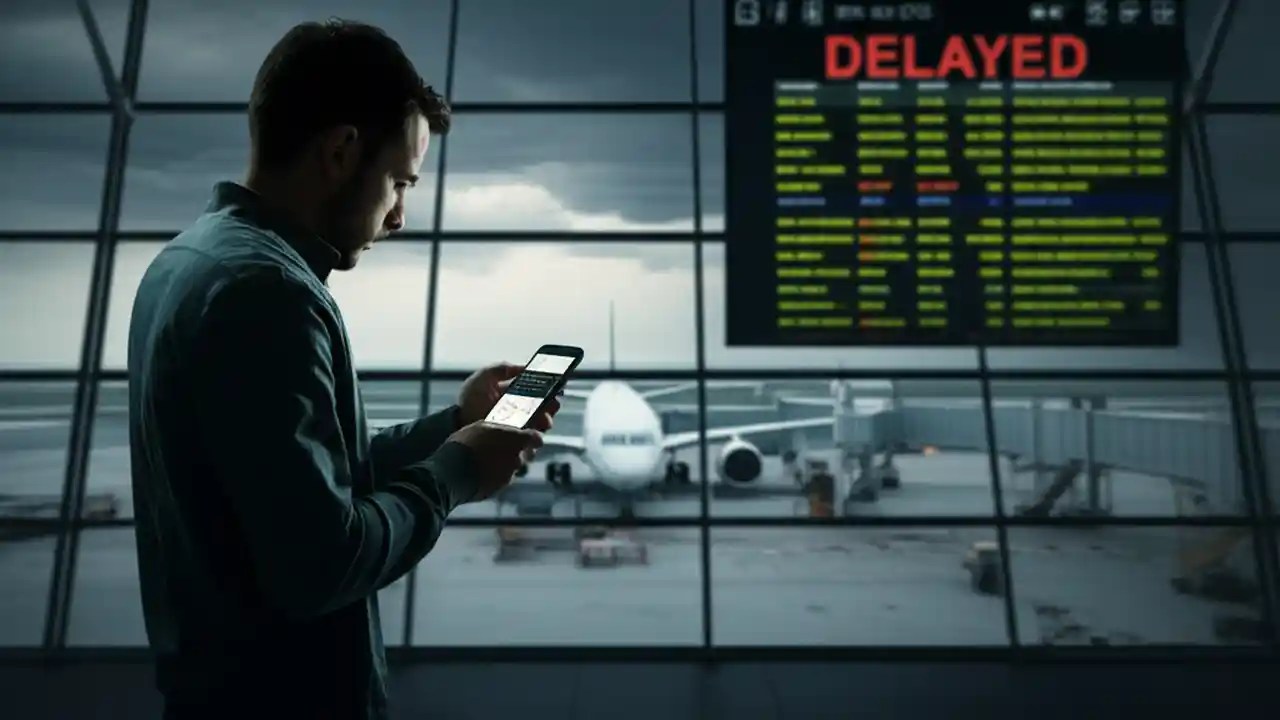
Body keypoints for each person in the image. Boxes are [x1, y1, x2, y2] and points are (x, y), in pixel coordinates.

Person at [125, 19, 549, 720]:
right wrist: (457, 473)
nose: (400, 216)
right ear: (341, 151)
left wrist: (456, 425)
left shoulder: (189, 261)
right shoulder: (269, 293)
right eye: (399, 182)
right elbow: (324, 565)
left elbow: (302, 478)